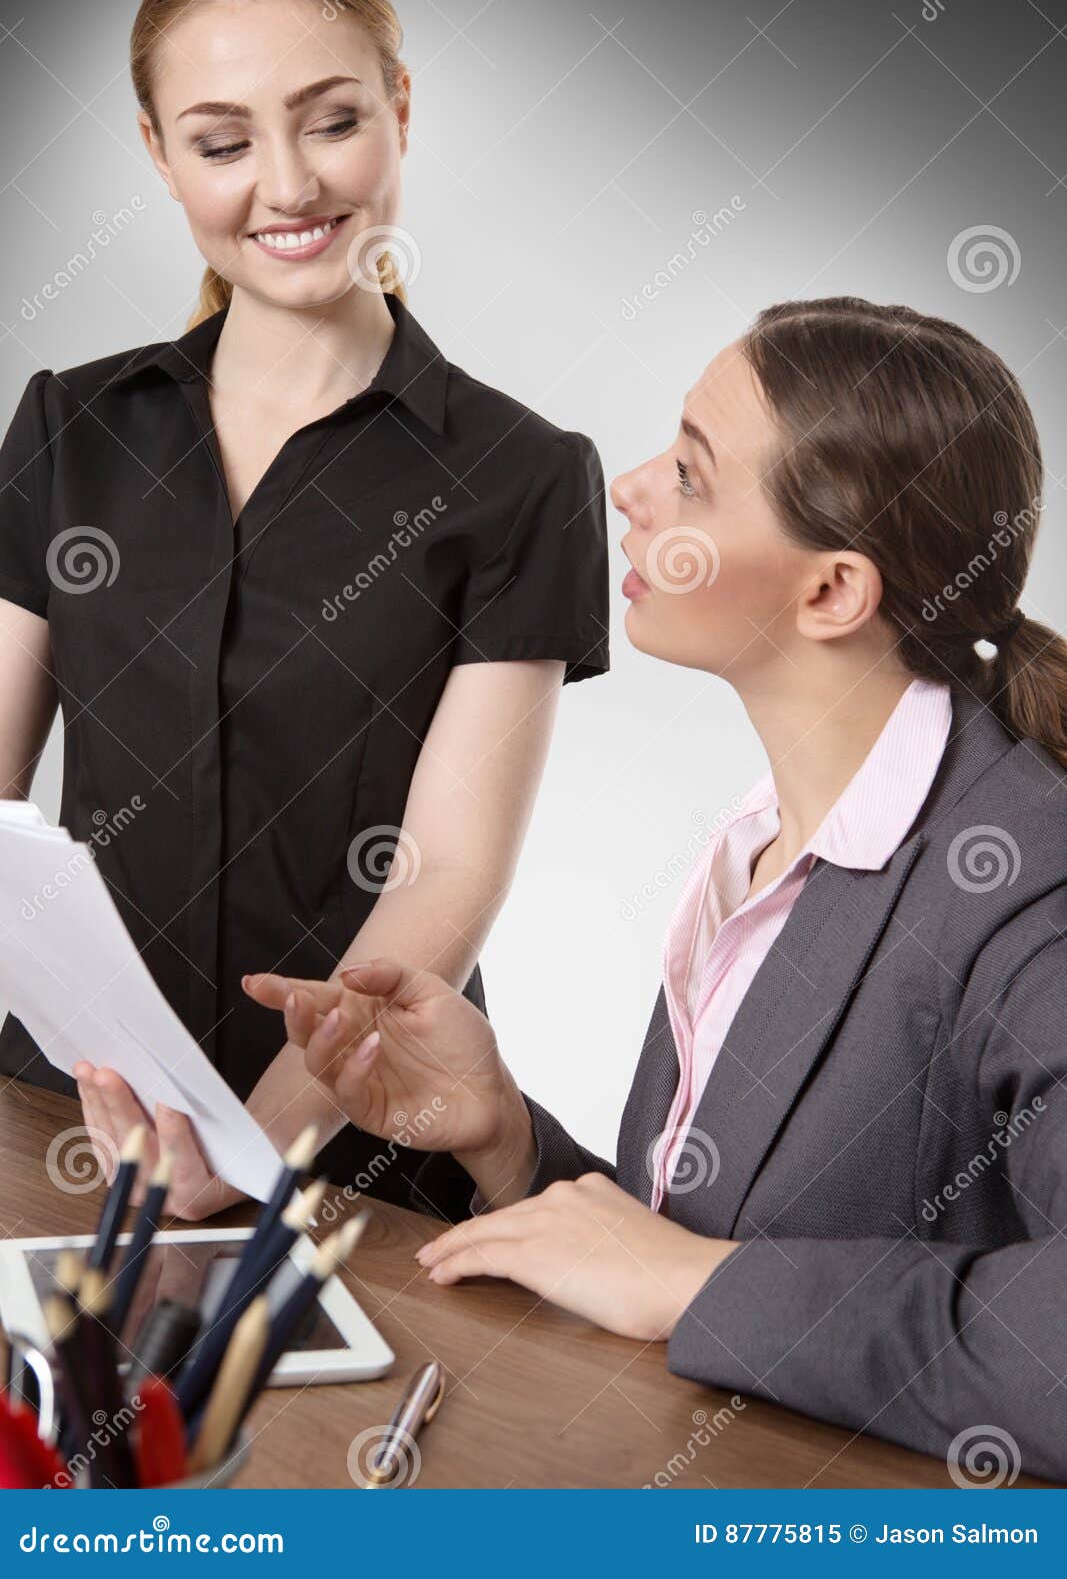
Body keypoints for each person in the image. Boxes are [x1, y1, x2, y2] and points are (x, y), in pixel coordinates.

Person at [252, 296, 1067, 1481]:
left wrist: (697, 1279)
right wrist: (508, 1136)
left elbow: (704, 1276)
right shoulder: (761, 845)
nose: (629, 487)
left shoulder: (1026, 888)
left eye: (689, 475)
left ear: (831, 593)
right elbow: (685, 1252)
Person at [0, 0, 609, 1217]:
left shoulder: (521, 477)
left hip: (359, 1158)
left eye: (330, 121)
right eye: (221, 143)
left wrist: (243, 1148)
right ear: (161, 157)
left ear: (399, 110)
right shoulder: (69, 428)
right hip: (60, 1116)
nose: (285, 184)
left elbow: (444, 870)